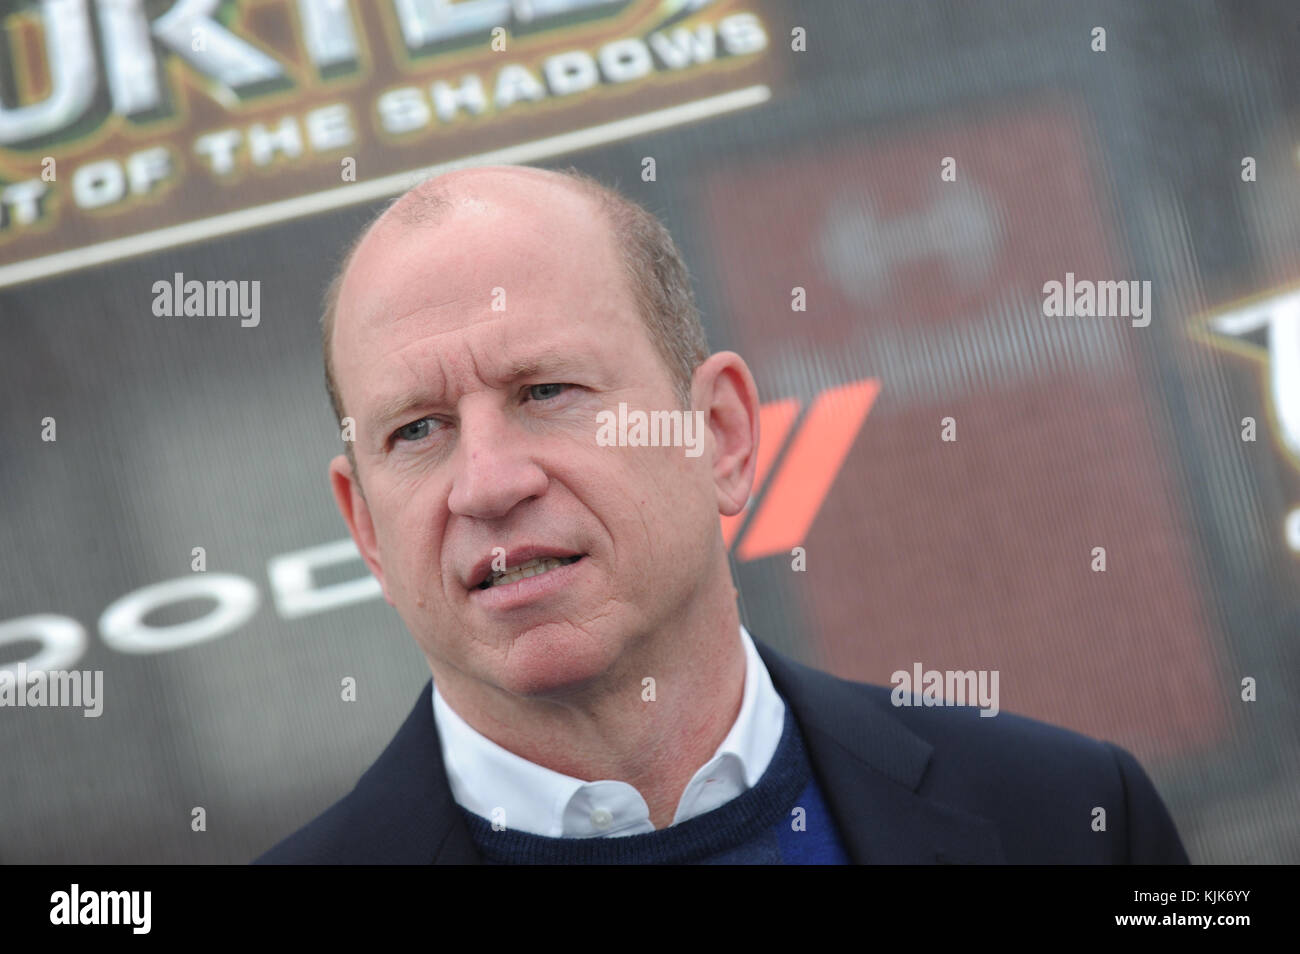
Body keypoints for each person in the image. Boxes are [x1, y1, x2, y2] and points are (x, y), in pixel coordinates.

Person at [256, 164, 1189, 864]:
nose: (489, 482)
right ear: (367, 529)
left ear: (723, 436)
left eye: (547, 391)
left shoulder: (1071, 818)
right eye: (418, 429)